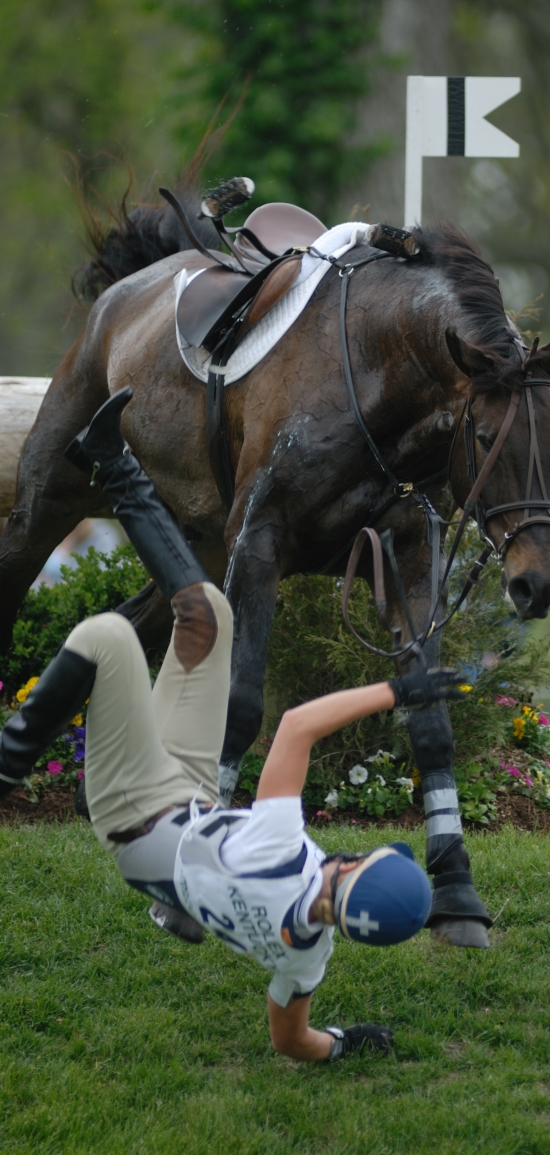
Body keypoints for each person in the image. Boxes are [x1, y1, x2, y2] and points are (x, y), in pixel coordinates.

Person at [0, 388, 463, 1062]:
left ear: (359, 865)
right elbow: (290, 1038)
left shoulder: (281, 854)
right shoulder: (307, 954)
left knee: (107, 637)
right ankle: (110, 460)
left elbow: (298, 726)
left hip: (135, 811)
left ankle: (6, 766)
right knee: (208, 615)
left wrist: (400, 688)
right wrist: (340, 1044)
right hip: (185, 805)